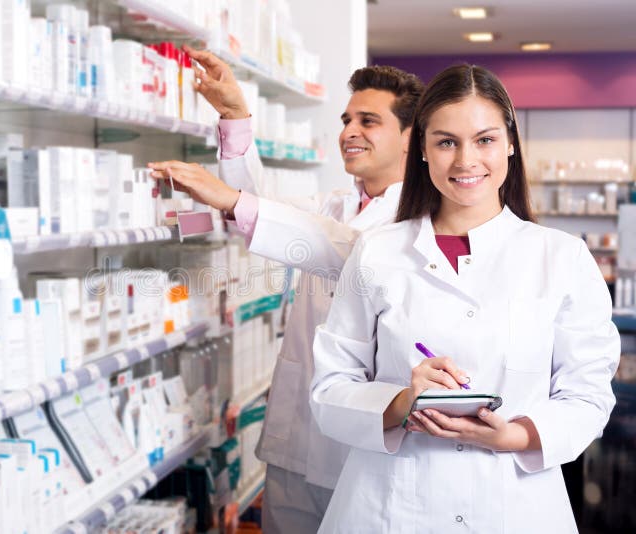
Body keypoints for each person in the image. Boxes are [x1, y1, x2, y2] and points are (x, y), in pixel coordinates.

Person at [310, 64, 620, 533]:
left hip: (515, 504)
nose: (465, 160)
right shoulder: (377, 251)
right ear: (422, 151)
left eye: (485, 140)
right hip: (388, 507)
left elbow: (588, 395)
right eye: (446, 141)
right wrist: (402, 401)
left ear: (511, 144)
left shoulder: (562, 258)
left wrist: (515, 436)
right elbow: (330, 388)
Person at [149, 48, 423, 533]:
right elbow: (268, 209)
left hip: (362, 453)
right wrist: (234, 115)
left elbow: (347, 250)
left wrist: (233, 200)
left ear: (410, 138)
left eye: (369, 120)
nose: (348, 132)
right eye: (346, 119)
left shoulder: (416, 222)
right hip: (297, 441)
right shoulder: (336, 204)